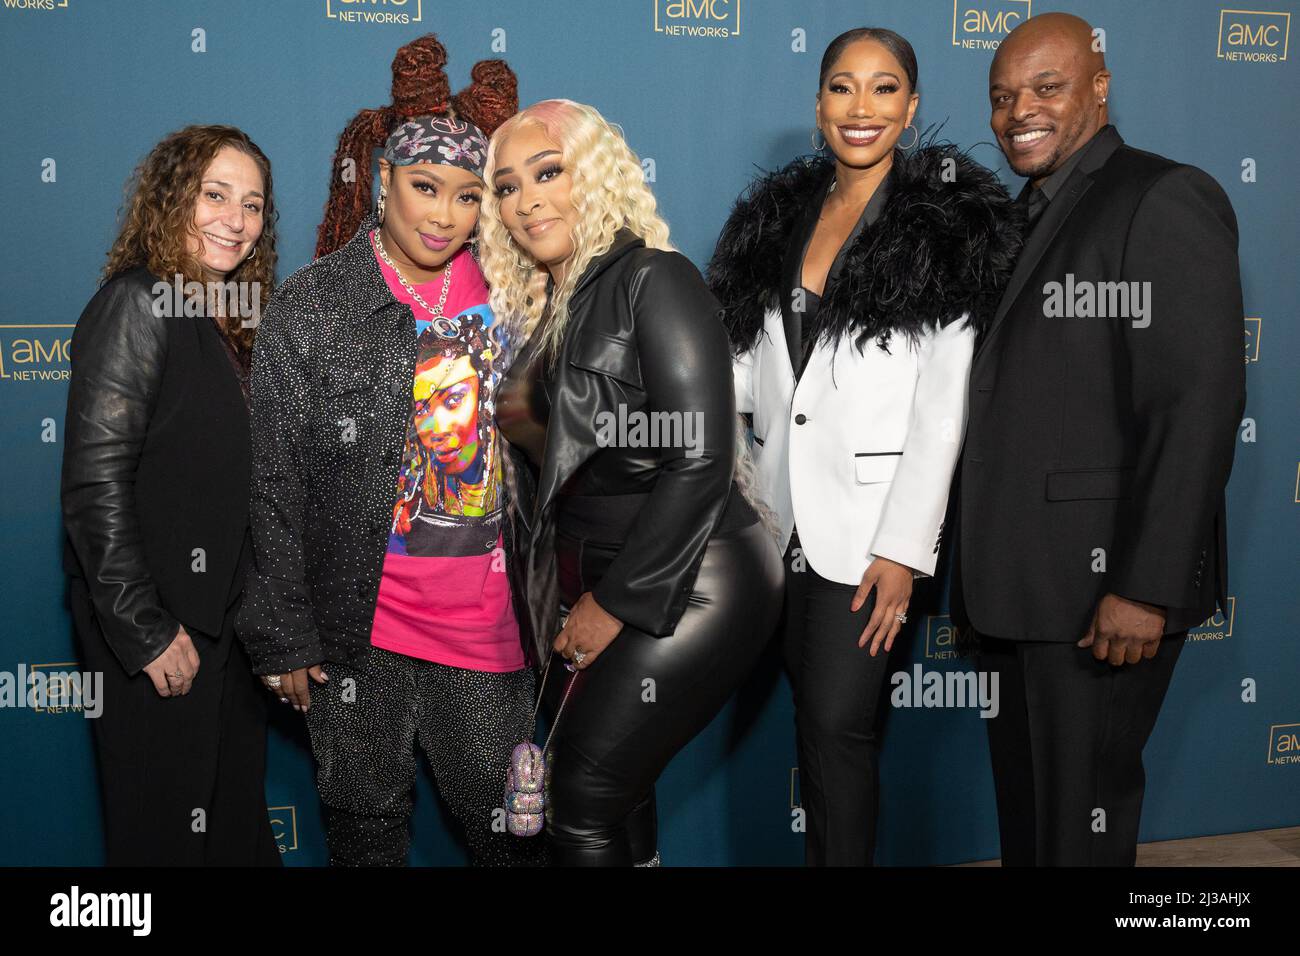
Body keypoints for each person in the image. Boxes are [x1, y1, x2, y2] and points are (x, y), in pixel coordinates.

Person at [707, 28, 1020, 866]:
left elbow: (942, 411)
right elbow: (744, 365)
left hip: (871, 531)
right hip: (774, 523)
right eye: (842, 88)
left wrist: (904, 550)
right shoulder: (776, 219)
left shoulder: (945, 228)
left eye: (884, 90)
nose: (861, 108)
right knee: (813, 725)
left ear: (911, 108)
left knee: (839, 730)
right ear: (819, 105)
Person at [236, 35, 540, 866]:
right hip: (355, 633)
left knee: (514, 838)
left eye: (468, 195)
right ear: (381, 183)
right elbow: (272, 480)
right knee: (364, 831)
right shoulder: (314, 304)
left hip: (489, 632)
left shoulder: (520, 295)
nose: (443, 214)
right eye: (424, 188)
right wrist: (285, 635)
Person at [952, 12, 1247, 866]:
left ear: (1101, 88)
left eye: (1047, 88)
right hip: (1016, 589)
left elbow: (1195, 406)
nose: (1019, 113)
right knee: (1035, 829)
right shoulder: (1022, 215)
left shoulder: (1161, 197)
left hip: (1101, 594)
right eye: (1003, 97)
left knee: (1079, 830)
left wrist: (1147, 588)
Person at [484, 99, 785, 866]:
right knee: (610, 793)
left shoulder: (654, 279)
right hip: (591, 574)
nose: (529, 201)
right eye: (508, 187)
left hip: (694, 576)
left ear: (594, 174)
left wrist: (615, 602)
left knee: (579, 800)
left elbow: (701, 456)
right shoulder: (550, 307)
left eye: (548, 173)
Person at [61, 124, 281, 866]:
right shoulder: (139, 303)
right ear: (170, 200)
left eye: (252, 205)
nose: (235, 220)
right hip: (159, 641)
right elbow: (95, 482)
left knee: (232, 840)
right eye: (213, 196)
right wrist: (144, 628)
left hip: (221, 636)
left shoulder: (229, 324)